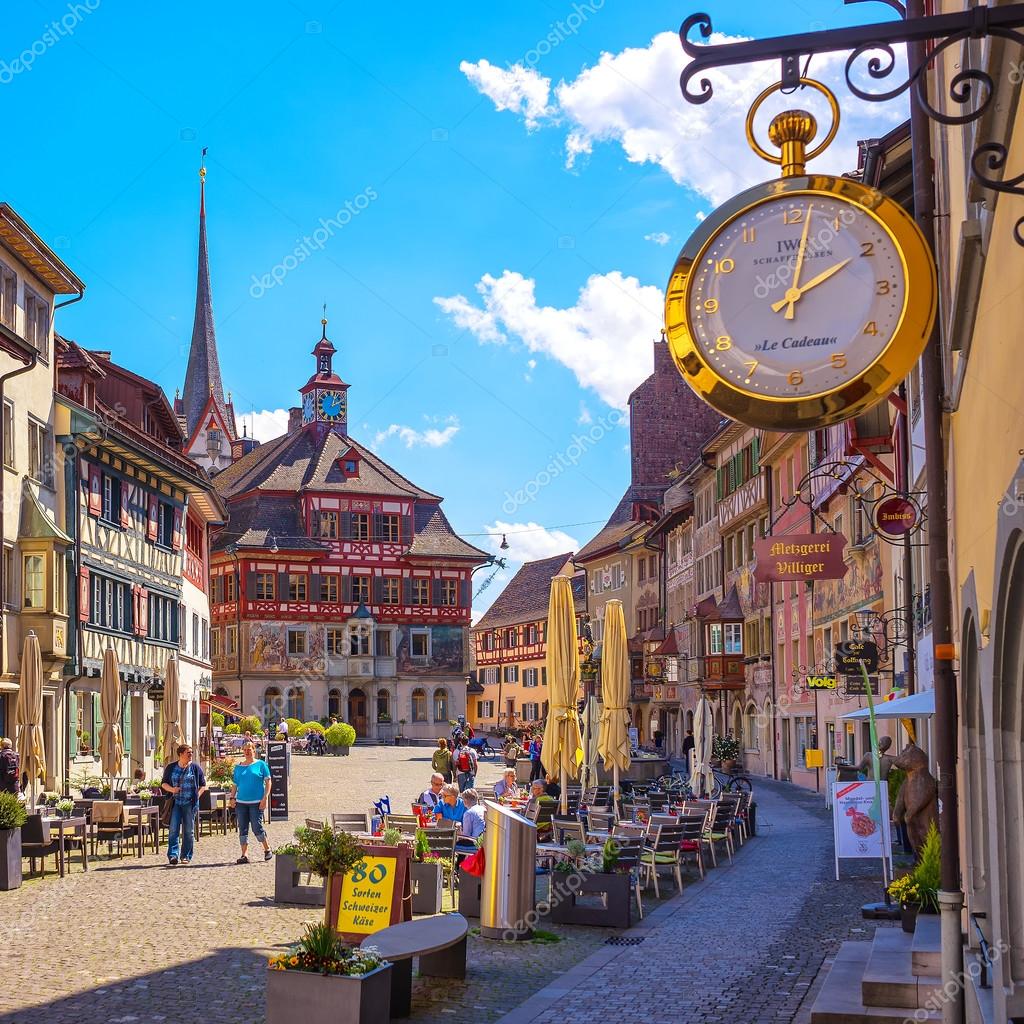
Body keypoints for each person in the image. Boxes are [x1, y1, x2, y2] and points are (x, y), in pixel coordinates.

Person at [160, 743, 206, 866]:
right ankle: (173, 855)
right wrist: (172, 789)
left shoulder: (195, 768)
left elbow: (203, 785)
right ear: (181, 754)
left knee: (189, 831)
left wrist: (197, 795)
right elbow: (163, 783)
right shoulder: (171, 767)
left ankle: (186, 855)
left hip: (190, 804)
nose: (191, 754)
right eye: (188, 752)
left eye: (191, 752)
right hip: (175, 803)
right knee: (173, 829)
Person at [229, 741, 273, 864]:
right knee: (242, 828)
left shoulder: (261, 765)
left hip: (256, 802)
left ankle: (267, 848)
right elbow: (235, 784)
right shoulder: (238, 767)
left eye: (250, 749)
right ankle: (244, 854)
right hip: (241, 802)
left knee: (256, 827)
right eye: (245, 750)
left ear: (254, 750)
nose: (247, 752)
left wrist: (265, 798)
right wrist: (232, 798)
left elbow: (268, 782)